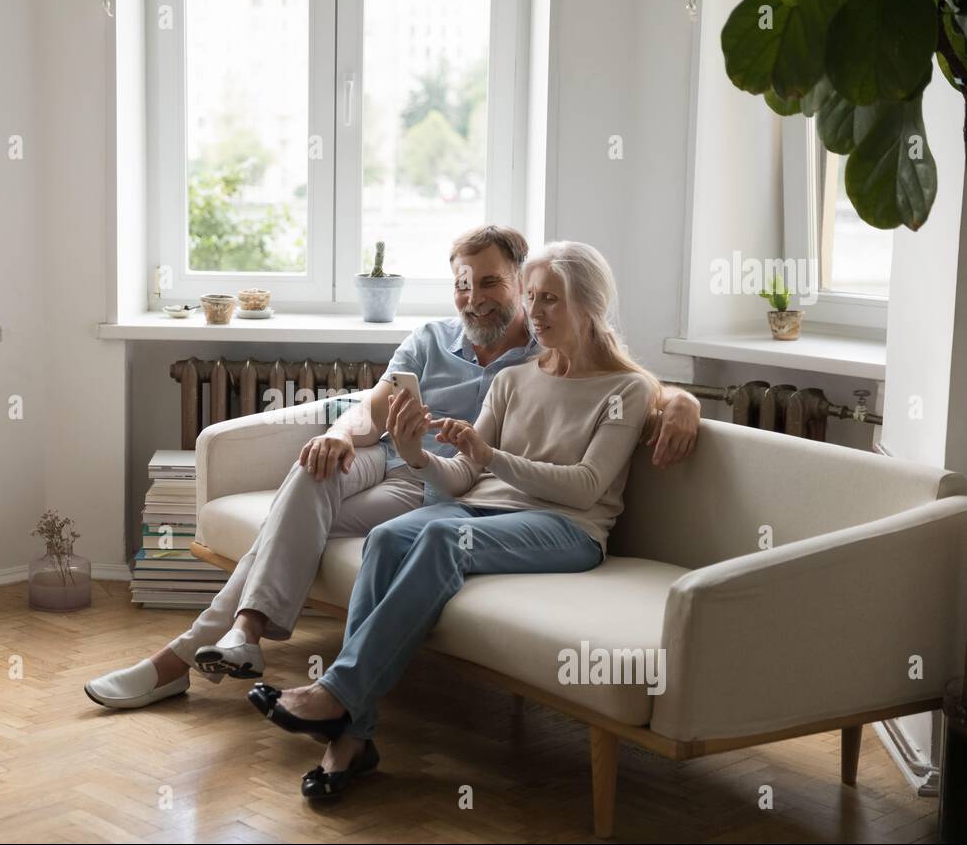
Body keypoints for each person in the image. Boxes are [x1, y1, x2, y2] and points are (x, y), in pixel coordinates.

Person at [85, 228, 699, 710]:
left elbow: (617, 374)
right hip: (392, 456)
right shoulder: (432, 337)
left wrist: (681, 400)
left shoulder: (545, 343)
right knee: (311, 472)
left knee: (290, 521)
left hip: (438, 486)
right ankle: (240, 637)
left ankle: (186, 656)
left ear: (519, 283)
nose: (473, 297)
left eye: (490, 283)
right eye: (462, 283)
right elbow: (373, 408)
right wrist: (335, 435)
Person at [250, 241, 661, 799]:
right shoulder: (514, 380)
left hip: (568, 528)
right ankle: (354, 739)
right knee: (388, 537)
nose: (535, 313)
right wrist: (417, 455)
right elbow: (464, 476)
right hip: (485, 508)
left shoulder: (625, 389)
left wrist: (492, 459)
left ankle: (337, 694)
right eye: (533, 298)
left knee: (445, 534)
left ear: (589, 306)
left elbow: (587, 488)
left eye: (551, 301)